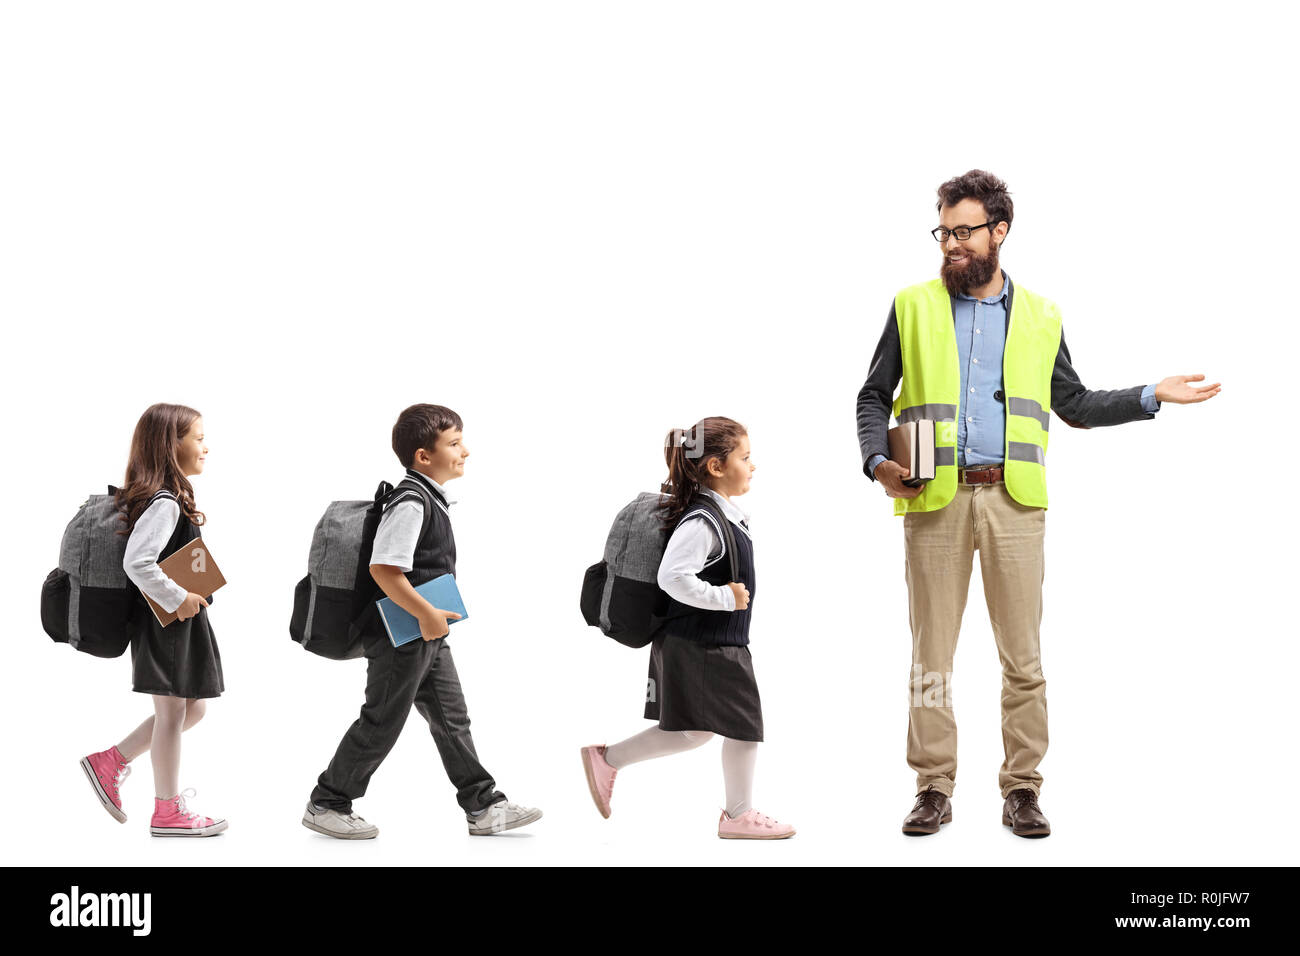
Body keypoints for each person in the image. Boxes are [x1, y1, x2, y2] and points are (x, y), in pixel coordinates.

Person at [854, 170, 1220, 838]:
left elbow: (1073, 404)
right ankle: (933, 786)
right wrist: (878, 460)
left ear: (1000, 231)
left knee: (1022, 659)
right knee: (930, 658)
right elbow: (874, 396)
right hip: (932, 501)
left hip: (1016, 504)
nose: (951, 243)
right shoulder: (911, 304)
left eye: (964, 231)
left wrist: (1150, 394)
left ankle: (1022, 787)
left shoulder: (1043, 314)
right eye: (943, 230)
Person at [303, 403, 541, 839]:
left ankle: (483, 805)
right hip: (401, 633)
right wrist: (428, 613)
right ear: (423, 456)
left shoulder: (428, 497)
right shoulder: (411, 502)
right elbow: (384, 569)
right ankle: (328, 802)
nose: (465, 451)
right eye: (454, 443)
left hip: (422, 632)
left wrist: (430, 622)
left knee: (452, 718)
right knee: (382, 719)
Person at [581, 417, 795, 840]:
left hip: (701, 641)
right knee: (743, 725)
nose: (753, 466)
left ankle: (608, 759)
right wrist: (725, 599)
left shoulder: (719, 514)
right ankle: (739, 816)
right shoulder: (703, 520)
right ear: (716, 466)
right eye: (745, 458)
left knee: (691, 731)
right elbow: (673, 577)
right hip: (705, 643)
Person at [80, 403, 227, 837]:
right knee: (172, 714)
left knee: (191, 708)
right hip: (166, 621)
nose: (206, 446)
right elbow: (137, 563)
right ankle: (167, 810)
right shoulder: (164, 502)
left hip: (174, 621)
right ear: (171, 444)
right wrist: (180, 597)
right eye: (198, 438)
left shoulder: (167, 498)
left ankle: (110, 761)